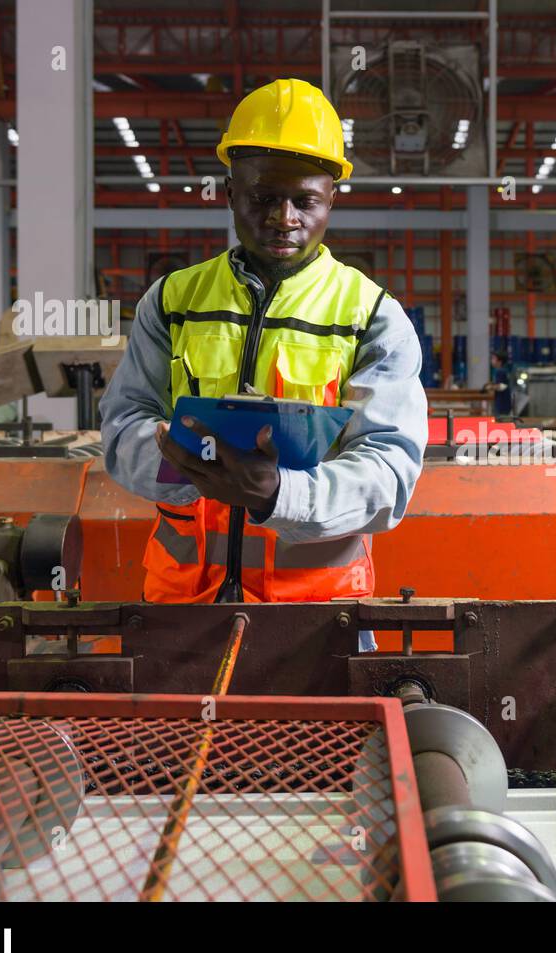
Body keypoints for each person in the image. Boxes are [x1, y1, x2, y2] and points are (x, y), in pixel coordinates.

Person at [99, 78, 427, 606]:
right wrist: (190, 470)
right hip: (182, 603)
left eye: (305, 201)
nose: (284, 219)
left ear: (332, 200)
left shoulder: (371, 317)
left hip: (319, 612)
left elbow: (390, 473)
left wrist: (280, 496)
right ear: (230, 192)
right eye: (263, 198)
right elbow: (120, 428)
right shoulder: (173, 301)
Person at [489, 351, 513, 416]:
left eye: (493, 358)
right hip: (505, 401)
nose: (491, 360)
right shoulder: (504, 370)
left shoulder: (499, 371)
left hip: (502, 402)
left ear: (499, 361)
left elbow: (501, 386)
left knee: (502, 420)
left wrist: (490, 387)